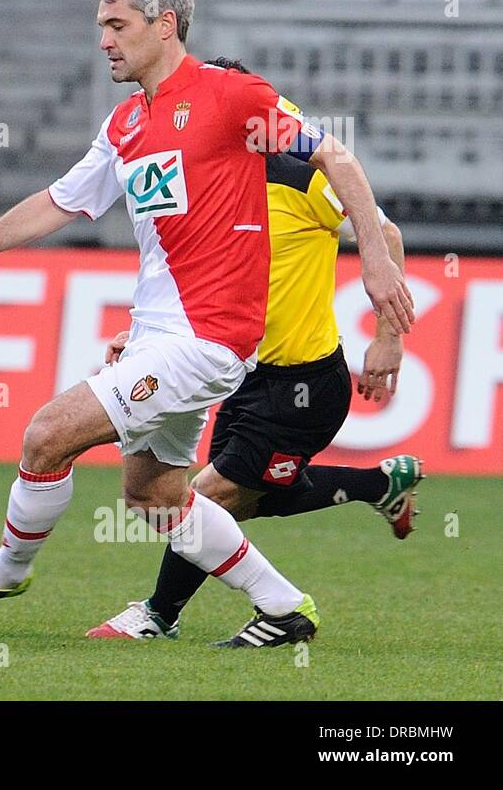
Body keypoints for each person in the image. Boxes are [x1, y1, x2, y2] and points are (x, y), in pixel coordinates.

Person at [0, 0, 414, 647]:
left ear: (163, 24)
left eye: (117, 24)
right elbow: (58, 202)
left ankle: (6, 571)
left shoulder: (230, 96)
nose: (104, 40)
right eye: (100, 26)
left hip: (207, 341)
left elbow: (336, 160)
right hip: (161, 337)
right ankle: (286, 608)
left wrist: (376, 263)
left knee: (47, 434)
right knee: (154, 496)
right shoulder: (127, 126)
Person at [86, 58, 424, 643]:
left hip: (303, 383)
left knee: (201, 497)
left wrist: (388, 338)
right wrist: (144, 337)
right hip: (233, 369)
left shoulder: (297, 174)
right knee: (237, 502)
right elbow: (188, 275)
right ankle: (377, 485)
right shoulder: (204, 176)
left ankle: (161, 615)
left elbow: (385, 233)